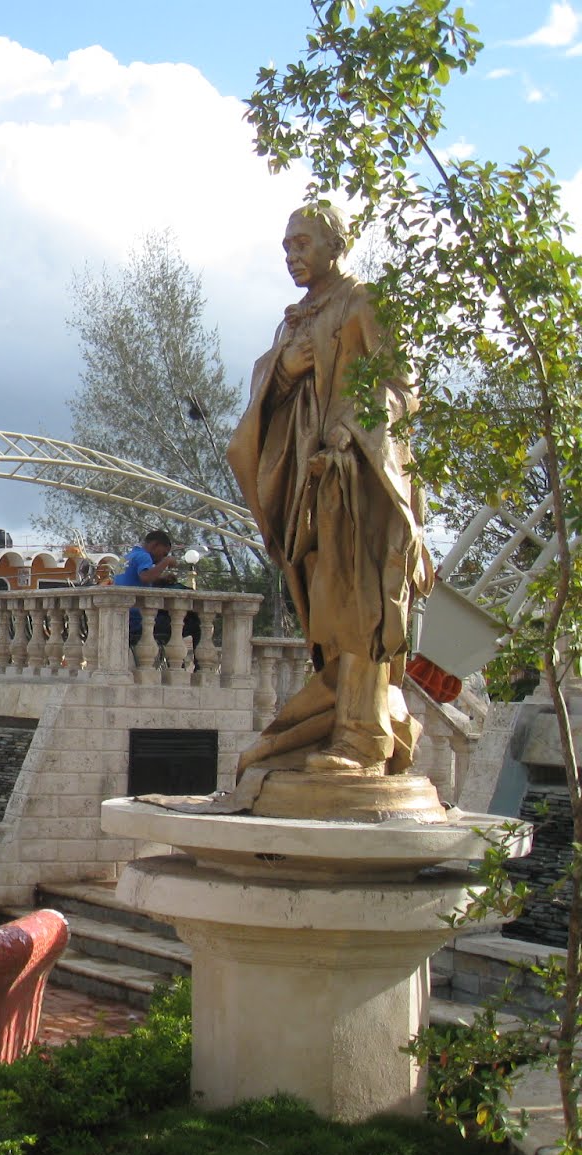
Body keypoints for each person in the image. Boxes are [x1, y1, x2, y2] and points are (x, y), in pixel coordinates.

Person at [227, 203, 433, 776]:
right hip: (309, 482)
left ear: (335, 244)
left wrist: (353, 425)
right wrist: (286, 369)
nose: (291, 256)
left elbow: (402, 388)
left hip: (360, 480)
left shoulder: (363, 302)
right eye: (286, 247)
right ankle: (334, 721)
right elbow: (265, 400)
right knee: (325, 602)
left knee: (362, 600)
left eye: (302, 244)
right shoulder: (294, 317)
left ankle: (364, 738)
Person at [116, 530, 186, 645]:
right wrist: (166, 562)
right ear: (154, 545)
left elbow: (135, 580)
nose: (162, 557)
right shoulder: (144, 556)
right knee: (190, 622)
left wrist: (161, 579)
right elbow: (146, 577)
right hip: (136, 619)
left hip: (122, 615)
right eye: (164, 553)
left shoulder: (127, 557)